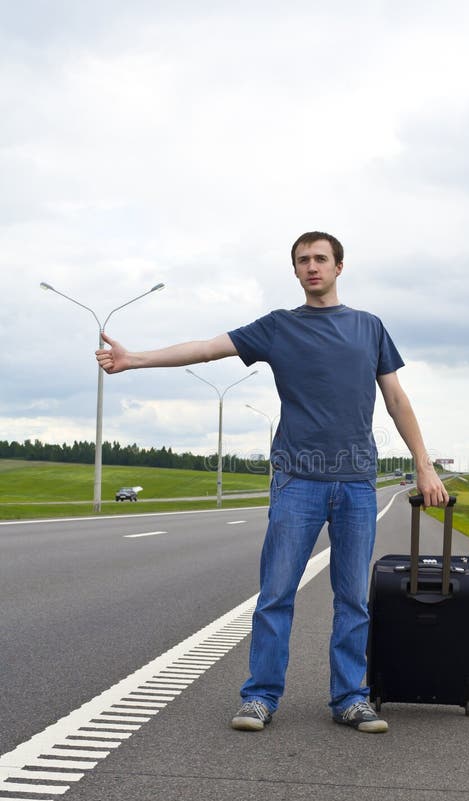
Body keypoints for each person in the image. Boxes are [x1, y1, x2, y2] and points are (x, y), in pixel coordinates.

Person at [96, 231, 448, 734]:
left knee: (351, 598)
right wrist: (134, 359)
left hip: (354, 484)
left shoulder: (369, 327)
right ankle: (260, 697)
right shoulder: (278, 328)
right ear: (296, 270)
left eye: (320, 259)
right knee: (277, 594)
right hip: (296, 483)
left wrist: (423, 462)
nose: (312, 267)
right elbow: (205, 349)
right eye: (303, 260)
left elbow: (396, 397)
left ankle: (350, 697)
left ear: (339, 267)